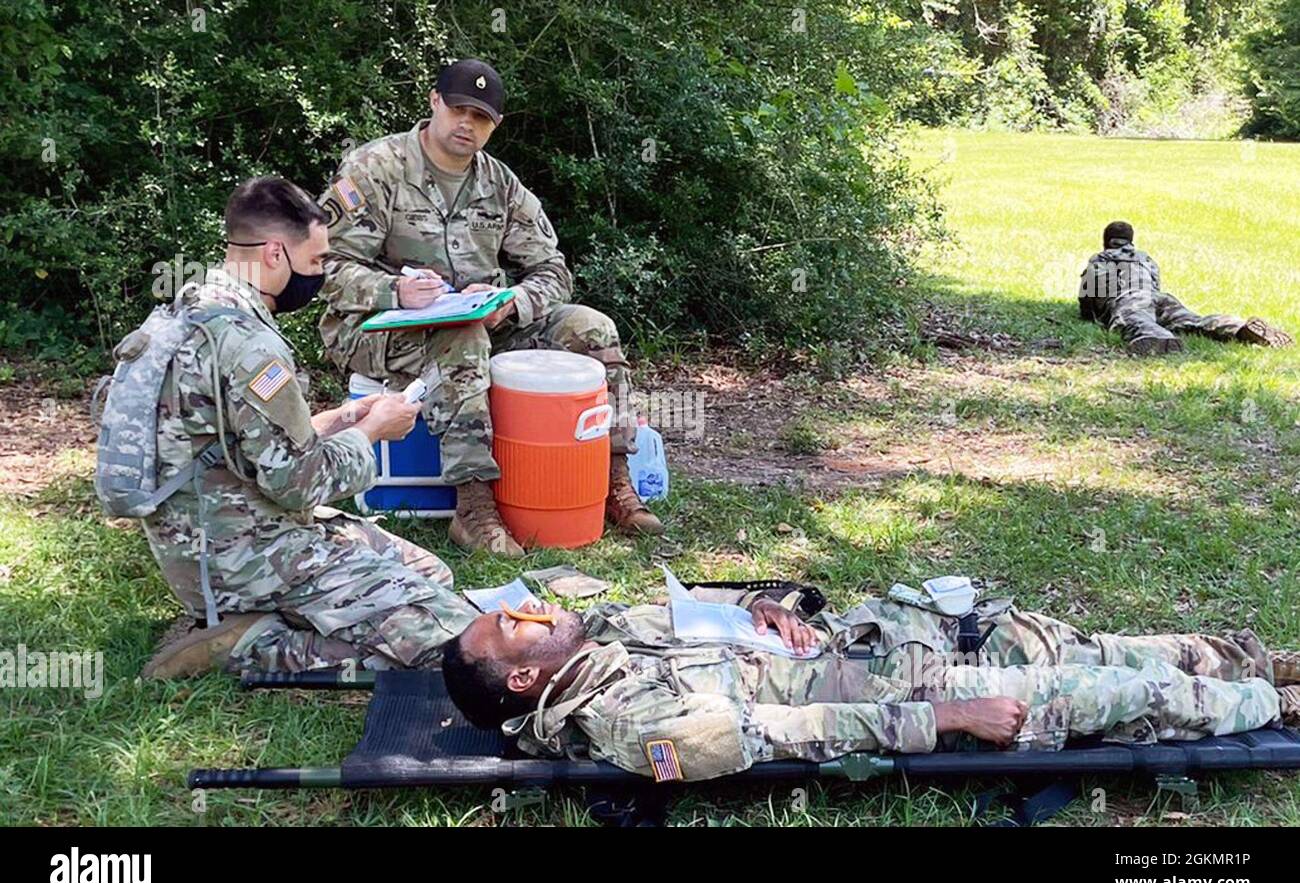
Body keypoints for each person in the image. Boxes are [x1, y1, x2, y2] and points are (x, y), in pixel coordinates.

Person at [106, 176, 480, 677]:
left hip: (203, 539)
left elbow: (239, 445)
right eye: (317, 261)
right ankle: (251, 644)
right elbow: (298, 483)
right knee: (444, 643)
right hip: (243, 556)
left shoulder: (187, 313)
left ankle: (256, 619)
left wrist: (346, 418)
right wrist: (371, 433)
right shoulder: (249, 346)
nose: (321, 274)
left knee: (432, 572)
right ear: (276, 253)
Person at [317, 58, 661, 557]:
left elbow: (552, 269)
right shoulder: (376, 169)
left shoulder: (499, 185)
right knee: (463, 338)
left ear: (494, 126)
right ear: (434, 102)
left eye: (480, 118)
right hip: (377, 329)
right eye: (458, 109)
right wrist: (396, 291)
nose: (466, 124)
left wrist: (512, 304)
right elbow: (326, 267)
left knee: (593, 328)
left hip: (477, 323)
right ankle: (474, 508)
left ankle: (610, 479)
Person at [441, 583, 1297, 782]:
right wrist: (953, 716)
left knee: (1094, 644)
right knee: (1131, 696)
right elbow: (800, 732)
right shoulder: (634, 726)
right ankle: (1279, 703)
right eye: (515, 623)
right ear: (523, 677)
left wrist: (759, 602)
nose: (533, 609)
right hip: (921, 692)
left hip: (887, 637)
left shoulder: (599, 634)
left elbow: (695, 606)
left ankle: (1263, 660)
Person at [1077, 220, 1291, 355]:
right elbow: (1155, 282)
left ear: (1106, 241)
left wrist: (1088, 314)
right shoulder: (1144, 258)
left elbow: (1089, 294)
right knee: (1192, 321)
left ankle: (1158, 339)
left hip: (1129, 300)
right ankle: (1238, 328)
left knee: (1135, 321)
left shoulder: (1101, 259)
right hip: (1159, 297)